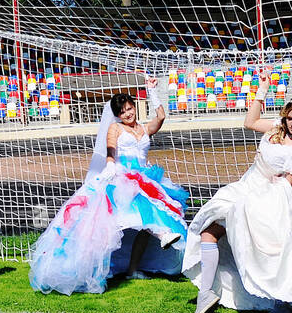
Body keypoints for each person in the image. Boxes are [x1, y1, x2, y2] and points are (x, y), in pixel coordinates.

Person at [182, 69, 292, 313]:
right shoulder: (274, 128)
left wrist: (263, 198)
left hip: (268, 201)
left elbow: (286, 185)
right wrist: (262, 89)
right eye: (289, 118)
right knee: (208, 231)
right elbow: (250, 122)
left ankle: (282, 300)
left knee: (270, 255)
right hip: (244, 188)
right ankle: (206, 293)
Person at [29, 78, 188, 294]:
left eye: (130, 109)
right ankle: (99, 265)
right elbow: (111, 150)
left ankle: (133, 268)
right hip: (123, 176)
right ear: (118, 115)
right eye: (123, 112)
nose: (128, 114)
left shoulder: (143, 129)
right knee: (112, 221)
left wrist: (151, 91)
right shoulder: (115, 128)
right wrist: (111, 167)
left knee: (144, 220)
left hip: (145, 176)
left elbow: (161, 117)